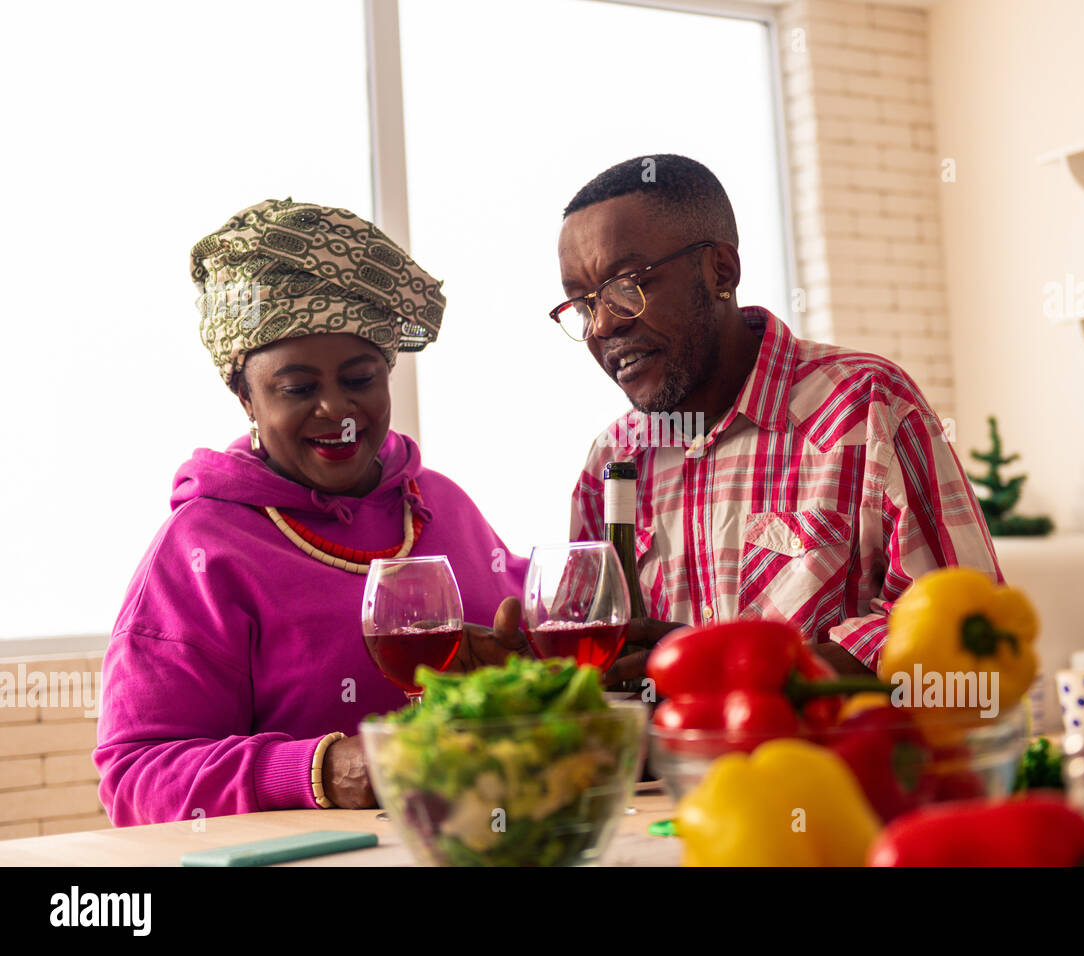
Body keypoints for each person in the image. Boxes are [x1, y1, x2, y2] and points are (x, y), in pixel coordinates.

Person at [95, 198, 528, 825]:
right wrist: (327, 770)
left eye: (360, 378)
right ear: (244, 394)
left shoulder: (442, 506)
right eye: (298, 389)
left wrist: (523, 683)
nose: (336, 410)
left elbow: (525, 677)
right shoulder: (203, 548)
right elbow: (138, 775)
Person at [556, 155, 1003, 682]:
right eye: (583, 306)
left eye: (627, 285)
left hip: (835, 765)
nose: (603, 325)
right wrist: (522, 670)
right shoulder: (612, 462)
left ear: (720, 270)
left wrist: (735, 672)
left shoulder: (867, 406)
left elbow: (970, 637)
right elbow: (591, 664)